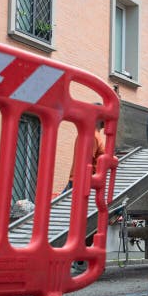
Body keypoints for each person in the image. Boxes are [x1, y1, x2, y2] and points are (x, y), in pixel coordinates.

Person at [66, 117, 106, 275]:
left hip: (78, 181)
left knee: (81, 223)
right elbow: (87, 162)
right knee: (88, 224)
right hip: (85, 183)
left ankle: (80, 259)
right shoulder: (93, 136)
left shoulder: (87, 134)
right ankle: (81, 261)